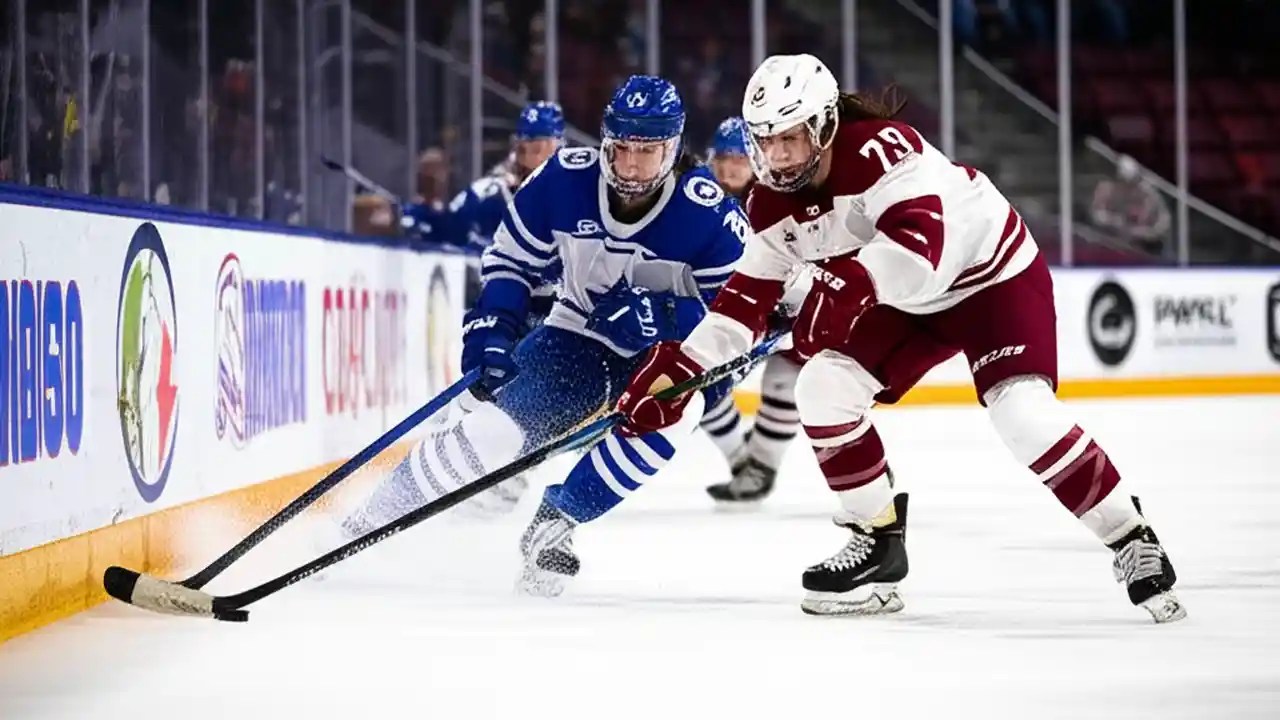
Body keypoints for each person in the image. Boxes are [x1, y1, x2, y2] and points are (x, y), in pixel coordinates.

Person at [616, 54, 1185, 624]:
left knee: (1022, 413)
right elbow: (741, 307)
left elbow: (920, 252)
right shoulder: (767, 204)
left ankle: (1130, 534)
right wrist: (683, 370)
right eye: (766, 140)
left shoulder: (882, 150)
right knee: (822, 387)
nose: (778, 155)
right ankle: (878, 541)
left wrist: (846, 287)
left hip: (990, 279)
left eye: (790, 138)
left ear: (823, 125)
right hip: (898, 297)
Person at [339, 76, 749, 598]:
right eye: (621, 149)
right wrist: (494, 328)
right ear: (604, 139)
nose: (630, 166)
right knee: (490, 433)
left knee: (675, 416)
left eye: (647, 153)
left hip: (667, 357)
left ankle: (558, 520)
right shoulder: (563, 179)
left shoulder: (709, 213)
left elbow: (739, 317)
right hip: (574, 335)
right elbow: (510, 261)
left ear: (672, 149)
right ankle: (368, 521)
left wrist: (663, 316)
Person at [699, 115, 805, 505]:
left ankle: (761, 465)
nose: (729, 169)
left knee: (789, 377)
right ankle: (743, 461)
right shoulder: (693, 201)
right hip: (720, 312)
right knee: (700, 383)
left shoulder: (781, 197)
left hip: (784, 310)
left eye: (739, 159)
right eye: (722, 159)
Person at [401, 101, 565, 247]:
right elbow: (446, 234)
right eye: (530, 149)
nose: (539, 158)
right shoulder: (485, 195)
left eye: (543, 148)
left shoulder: (570, 197)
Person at [1089, 154, 1171, 255]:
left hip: (1142, 246)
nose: (1129, 186)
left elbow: (1164, 220)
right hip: (1111, 242)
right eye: (1124, 182)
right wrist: (1114, 221)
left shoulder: (1147, 193)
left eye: (1132, 182)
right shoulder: (1106, 189)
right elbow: (1097, 215)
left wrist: (1147, 232)